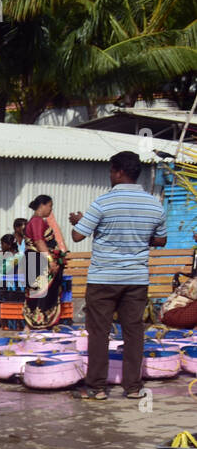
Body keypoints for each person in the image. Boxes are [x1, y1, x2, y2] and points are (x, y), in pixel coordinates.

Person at [69, 150, 167, 400]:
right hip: (135, 280)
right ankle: (133, 388)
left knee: (99, 332)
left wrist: (79, 221)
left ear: (119, 172)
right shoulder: (154, 204)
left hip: (103, 278)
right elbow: (161, 239)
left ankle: (97, 388)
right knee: (134, 332)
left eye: (111, 171)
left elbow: (78, 235)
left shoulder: (103, 202)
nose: (110, 176)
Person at [23, 194, 67, 329]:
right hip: (39, 263)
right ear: (43, 205)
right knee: (41, 295)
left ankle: (40, 323)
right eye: (50, 206)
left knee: (40, 294)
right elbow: (39, 241)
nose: (50, 210)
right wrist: (51, 261)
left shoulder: (36, 221)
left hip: (36, 261)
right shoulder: (37, 221)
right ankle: (39, 323)